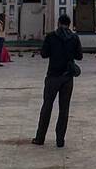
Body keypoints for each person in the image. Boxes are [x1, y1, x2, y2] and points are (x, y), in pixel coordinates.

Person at [33, 13, 83, 148]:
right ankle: (60, 140)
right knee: (64, 109)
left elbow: (44, 54)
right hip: (67, 78)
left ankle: (40, 137)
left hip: (53, 76)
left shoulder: (51, 36)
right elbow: (79, 56)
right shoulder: (74, 37)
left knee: (47, 106)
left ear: (58, 23)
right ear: (70, 24)